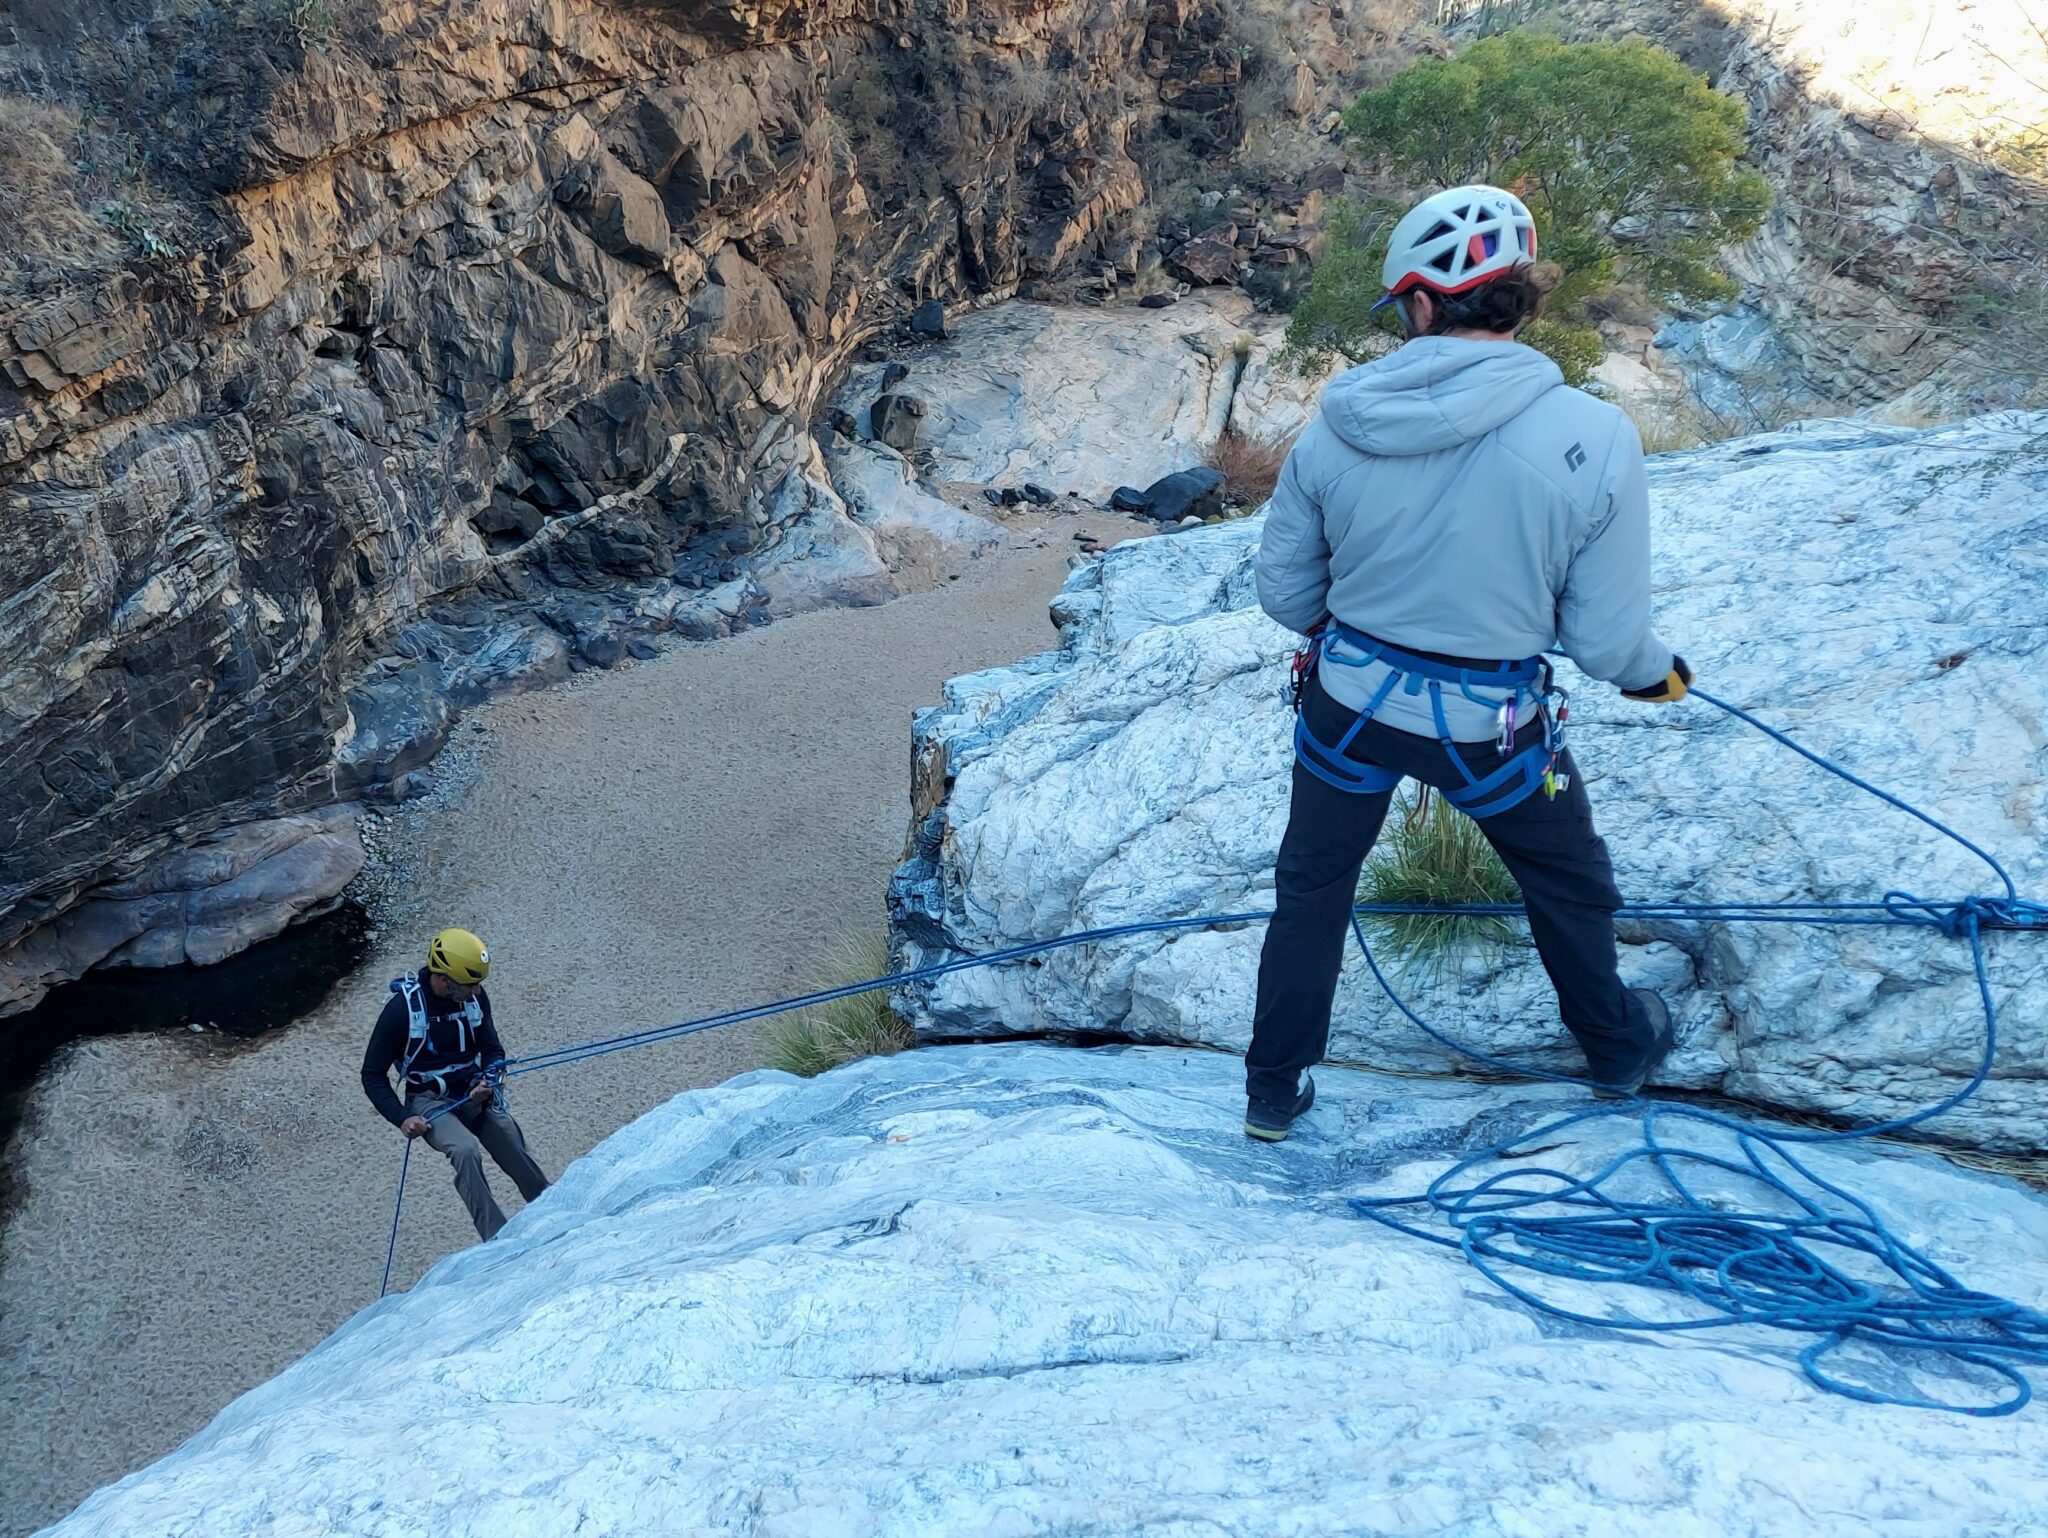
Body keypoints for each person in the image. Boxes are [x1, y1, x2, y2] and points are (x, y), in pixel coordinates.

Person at [1245, 184, 1689, 1142]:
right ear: (1525, 300)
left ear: (1417, 304)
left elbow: (1286, 597)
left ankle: (1273, 1093)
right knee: (1569, 882)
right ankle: (1614, 1048)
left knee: (1311, 892)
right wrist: (1657, 673)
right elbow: (1607, 641)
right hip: (1494, 736)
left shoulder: (1335, 429)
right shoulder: (1596, 436)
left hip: (1348, 710)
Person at [360, 928, 550, 1236]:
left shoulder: (473, 1001)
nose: (476, 991)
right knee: (463, 1149)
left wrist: (490, 1078)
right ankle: (496, 1235)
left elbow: (492, 1049)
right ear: (442, 979)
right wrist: (402, 1118)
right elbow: (372, 1075)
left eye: (478, 984)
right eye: (469, 984)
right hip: (428, 1099)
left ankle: (547, 1202)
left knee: (506, 1135)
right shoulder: (400, 1013)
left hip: (472, 1090)